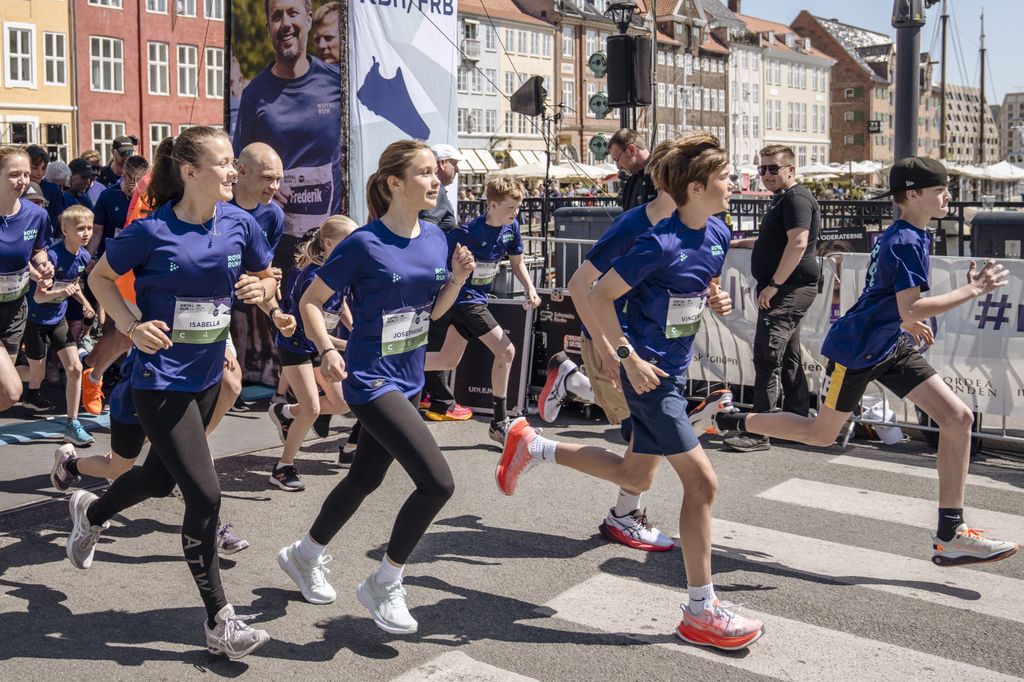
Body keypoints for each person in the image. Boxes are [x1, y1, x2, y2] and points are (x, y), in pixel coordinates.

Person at [496, 132, 764, 651]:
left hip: (676, 371)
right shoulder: (653, 239)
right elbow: (594, 294)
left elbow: (689, 287)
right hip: (650, 378)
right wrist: (625, 358)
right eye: (726, 177)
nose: (734, 184)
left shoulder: (717, 232)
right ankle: (701, 609)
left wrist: (713, 298)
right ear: (695, 186)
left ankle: (535, 445)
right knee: (702, 483)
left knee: (634, 473)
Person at [700, 157, 1020, 568]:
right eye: (941, 189)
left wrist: (912, 322)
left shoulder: (914, 234)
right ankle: (729, 419)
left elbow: (899, 306)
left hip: (890, 344)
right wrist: (971, 290)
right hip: (858, 351)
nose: (948, 196)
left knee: (957, 418)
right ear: (914, 194)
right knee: (819, 434)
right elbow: (911, 307)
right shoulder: (904, 239)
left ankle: (950, 533)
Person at [67, 126, 275, 658]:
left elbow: (265, 275)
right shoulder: (151, 230)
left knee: (160, 482)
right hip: (159, 381)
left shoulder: (240, 223)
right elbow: (100, 279)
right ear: (190, 172)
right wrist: (134, 326)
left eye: (235, 163)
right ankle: (220, 621)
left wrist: (263, 289)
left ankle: (90, 512)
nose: (235, 172)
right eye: (225, 163)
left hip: (205, 376)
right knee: (204, 494)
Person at [277, 140, 474, 635]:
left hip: (408, 378)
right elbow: (311, 302)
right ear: (394, 183)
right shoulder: (362, 243)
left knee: (364, 479)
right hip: (369, 378)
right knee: (437, 483)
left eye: (437, 173)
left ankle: (305, 553)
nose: (436, 180)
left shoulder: (435, 238)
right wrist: (327, 350)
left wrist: (454, 280)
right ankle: (385, 581)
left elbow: (432, 314)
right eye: (426, 173)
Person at [558, 139, 680, 552]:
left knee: (644, 441)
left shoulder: (690, 227)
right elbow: (579, 284)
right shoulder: (632, 225)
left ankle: (624, 516)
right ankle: (540, 440)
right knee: (641, 441)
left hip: (648, 347)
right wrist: (612, 350)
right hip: (618, 343)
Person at [422, 176, 540, 439]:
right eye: (510, 208)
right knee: (506, 351)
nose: (515, 213)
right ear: (493, 205)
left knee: (446, 360)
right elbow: (438, 262)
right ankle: (499, 422)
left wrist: (530, 288)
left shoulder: (512, 228)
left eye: (518, 208)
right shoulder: (468, 233)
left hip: (477, 298)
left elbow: (517, 262)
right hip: (463, 299)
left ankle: (394, 365)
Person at [724, 145, 821, 453]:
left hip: (790, 288)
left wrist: (775, 285)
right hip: (788, 287)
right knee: (789, 358)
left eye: (773, 169)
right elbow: (772, 242)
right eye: (762, 169)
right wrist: (739, 243)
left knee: (767, 356)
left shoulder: (796, 199)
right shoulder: (784, 200)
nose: (765, 174)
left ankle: (758, 431)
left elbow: (798, 242)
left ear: (790, 170)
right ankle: (795, 423)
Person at [233, 0, 342, 271]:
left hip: (329, 243)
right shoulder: (254, 94)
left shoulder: (337, 83)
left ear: (307, 19)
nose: (285, 24)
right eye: (277, 16)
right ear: (269, 28)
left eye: (293, 13)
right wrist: (263, 187)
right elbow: (239, 169)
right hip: (275, 243)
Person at [268, 215, 355, 491]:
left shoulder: (339, 271)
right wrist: (349, 345)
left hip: (320, 347)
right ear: (329, 244)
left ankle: (285, 412)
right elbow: (311, 331)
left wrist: (354, 329)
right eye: (350, 242)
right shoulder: (313, 277)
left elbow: (340, 304)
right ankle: (283, 467)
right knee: (312, 409)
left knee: (342, 404)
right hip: (296, 345)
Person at [22, 205, 96, 445]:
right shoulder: (51, 256)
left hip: (58, 320)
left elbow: (73, 283)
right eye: (80, 228)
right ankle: (7, 378)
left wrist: (84, 302)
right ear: (65, 229)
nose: (86, 233)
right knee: (37, 374)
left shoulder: (83, 256)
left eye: (89, 228)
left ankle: (72, 424)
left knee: (74, 368)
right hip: (35, 320)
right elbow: (39, 297)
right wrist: (65, 291)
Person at [420, 143, 473, 420]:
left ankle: (432, 397)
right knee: (435, 340)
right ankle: (439, 400)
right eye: (455, 163)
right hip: (435, 278)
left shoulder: (437, 192)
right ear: (441, 164)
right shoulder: (435, 192)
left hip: (437, 274)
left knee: (433, 339)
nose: (458, 168)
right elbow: (428, 228)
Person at [0, 146, 54, 412]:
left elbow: (38, 249)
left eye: (25, 174)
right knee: (12, 390)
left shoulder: (37, 215)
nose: (22, 181)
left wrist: (43, 265)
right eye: (14, 175)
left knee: (5, 393)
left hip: (14, 309)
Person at [91, 155, 150, 259]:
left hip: (140, 256)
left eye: (140, 180)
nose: (136, 184)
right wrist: (89, 259)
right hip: (111, 256)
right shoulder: (108, 195)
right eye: (132, 179)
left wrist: (137, 198)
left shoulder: (150, 197)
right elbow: (96, 231)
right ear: (124, 175)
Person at [609, 129, 657, 210]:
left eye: (617, 159)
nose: (618, 166)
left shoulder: (663, 175)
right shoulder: (631, 183)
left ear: (631, 150)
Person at [26, 145, 65, 230]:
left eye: (44, 168)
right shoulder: (17, 188)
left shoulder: (53, 189)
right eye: (35, 168)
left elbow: (61, 217)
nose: (40, 173)